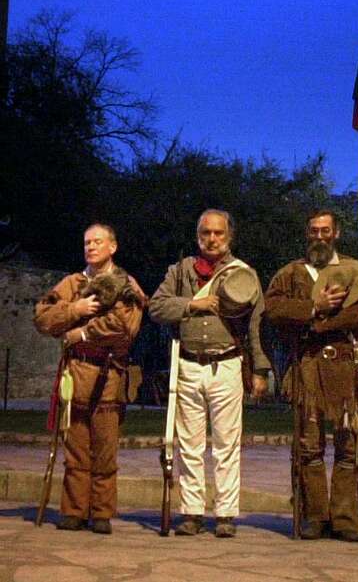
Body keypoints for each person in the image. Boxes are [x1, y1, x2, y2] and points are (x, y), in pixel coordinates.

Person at [149, 209, 269, 537]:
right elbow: (156, 307)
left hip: (226, 363)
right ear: (197, 236)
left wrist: (259, 369)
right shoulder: (181, 271)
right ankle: (191, 512)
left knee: (227, 443)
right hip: (188, 363)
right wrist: (191, 306)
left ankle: (226, 514)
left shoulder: (244, 274)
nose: (212, 239)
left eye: (218, 233)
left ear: (229, 237)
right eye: (206, 233)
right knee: (188, 444)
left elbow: (256, 324)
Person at [263, 209, 358, 542]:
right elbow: (273, 309)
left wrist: (316, 324)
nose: (320, 237)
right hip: (307, 365)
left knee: (348, 445)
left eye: (326, 231)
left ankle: (345, 518)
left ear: (336, 233)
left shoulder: (355, 270)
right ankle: (314, 516)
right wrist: (314, 307)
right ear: (307, 234)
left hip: (342, 365)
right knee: (308, 445)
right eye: (314, 231)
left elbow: (356, 313)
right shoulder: (291, 273)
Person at [34, 223, 146, 534]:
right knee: (76, 448)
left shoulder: (126, 285)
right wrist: (75, 308)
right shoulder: (72, 284)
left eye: (97, 241)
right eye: (86, 242)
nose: (91, 247)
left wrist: (81, 332)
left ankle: (101, 513)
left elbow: (125, 325)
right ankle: (73, 511)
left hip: (109, 375)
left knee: (105, 449)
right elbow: (43, 317)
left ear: (113, 247)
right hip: (76, 373)